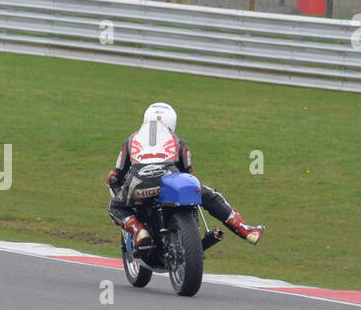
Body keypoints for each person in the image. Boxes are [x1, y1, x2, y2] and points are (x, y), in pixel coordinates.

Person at [106, 102, 264, 250]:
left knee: (115, 206)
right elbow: (188, 174)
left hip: (137, 184)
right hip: (168, 179)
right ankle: (246, 231)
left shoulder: (131, 140)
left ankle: (139, 230)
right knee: (211, 196)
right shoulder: (178, 141)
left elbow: (114, 177)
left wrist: (120, 194)